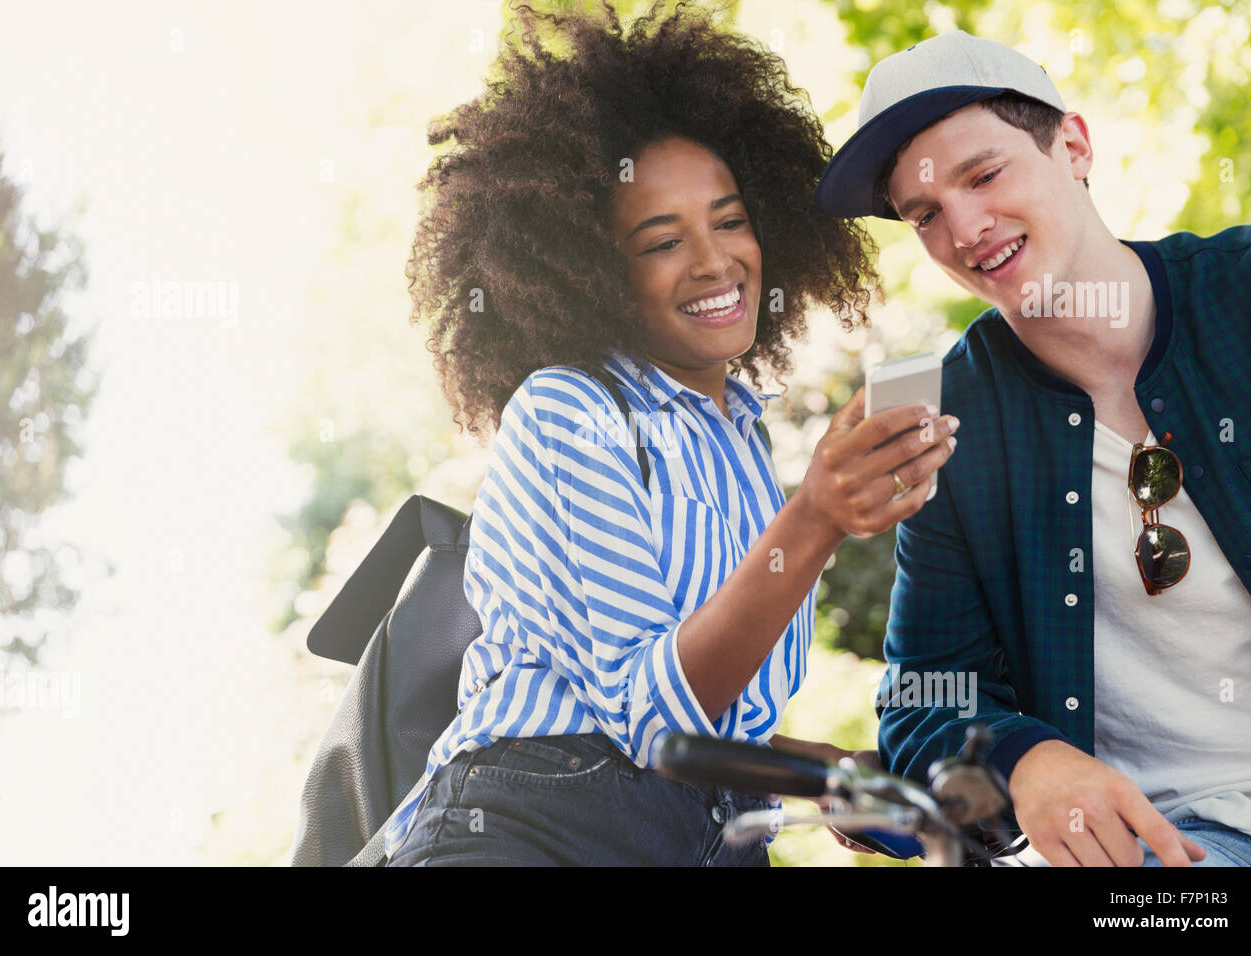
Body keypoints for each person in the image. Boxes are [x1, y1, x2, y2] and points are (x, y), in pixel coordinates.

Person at [381, 1, 958, 866]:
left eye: (730, 220)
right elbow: (653, 727)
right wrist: (817, 519)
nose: (714, 262)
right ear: (592, 270)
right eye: (661, 241)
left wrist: (843, 780)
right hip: (531, 830)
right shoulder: (568, 414)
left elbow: (710, 734)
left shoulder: (740, 443)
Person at [816, 30, 1251, 866]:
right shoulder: (941, 416)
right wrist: (1024, 757)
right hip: (1157, 850)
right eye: (924, 215)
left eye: (984, 175)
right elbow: (925, 692)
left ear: (1073, 146)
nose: (965, 227)